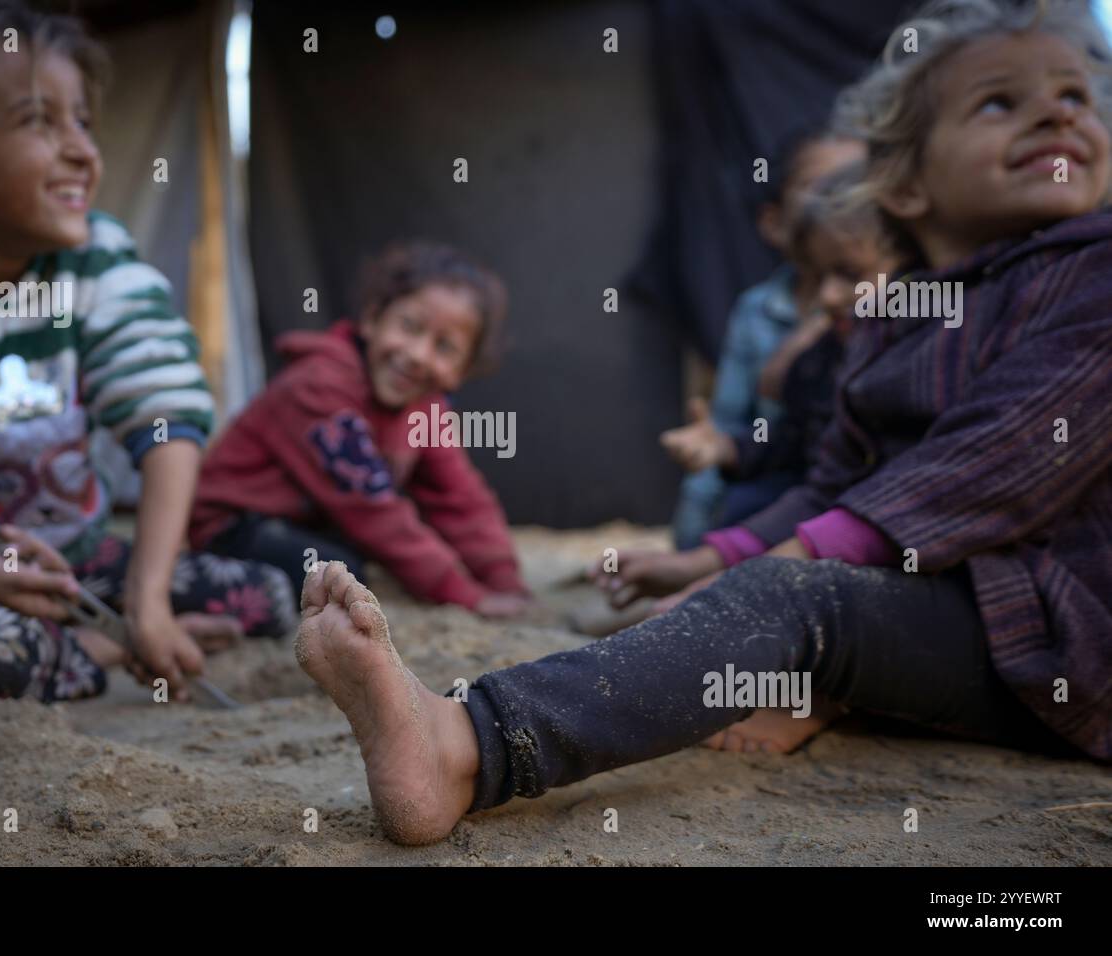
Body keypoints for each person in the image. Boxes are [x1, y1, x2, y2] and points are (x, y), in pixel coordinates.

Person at [294, 0, 1112, 845]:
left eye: (1078, 96)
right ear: (906, 181)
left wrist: (761, 576)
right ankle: (742, 658)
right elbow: (830, 485)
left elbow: (992, 467)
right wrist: (704, 559)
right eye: (999, 102)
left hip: (1058, 649)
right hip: (941, 632)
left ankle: (465, 746)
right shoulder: (895, 320)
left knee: (790, 601)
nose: (1059, 110)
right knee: (759, 600)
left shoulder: (1095, 274)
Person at [0, 0, 294, 715]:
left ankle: (84, 640)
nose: (83, 151)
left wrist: (149, 599)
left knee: (267, 593)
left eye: (84, 122)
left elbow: (164, 416)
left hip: (63, 565)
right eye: (38, 120)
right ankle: (91, 650)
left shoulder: (93, 260)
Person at [189, 240, 531, 619]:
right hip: (230, 527)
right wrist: (468, 597)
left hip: (310, 526)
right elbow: (371, 509)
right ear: (371, 319)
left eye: (445, 347)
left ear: (462, 372)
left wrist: (505, 580)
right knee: (342, 572)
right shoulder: (319, 386)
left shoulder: (426, 406)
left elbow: (459, 497)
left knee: (355, 563)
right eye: (409, 326)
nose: (418, 354)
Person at [667, 129, 864, 547]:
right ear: (774, 222)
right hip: (778, 476)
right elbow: (735, 427)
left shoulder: (906, 308)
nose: (842, 202)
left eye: (857, 185)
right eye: (823, 187)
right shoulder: (756, 311)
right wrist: (688, 545)